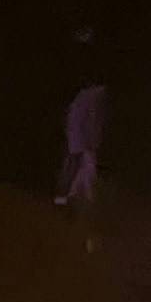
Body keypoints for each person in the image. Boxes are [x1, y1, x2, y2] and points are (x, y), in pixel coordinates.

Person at [55, 70, 107, 207]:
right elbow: (91, 121)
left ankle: (71, 199)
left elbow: (73, 118)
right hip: (80, 141)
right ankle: (68, 200)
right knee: (77, 169)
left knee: (77, 170)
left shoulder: (83, 96)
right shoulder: (94, 96)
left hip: (76, 139)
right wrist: (91, 141)